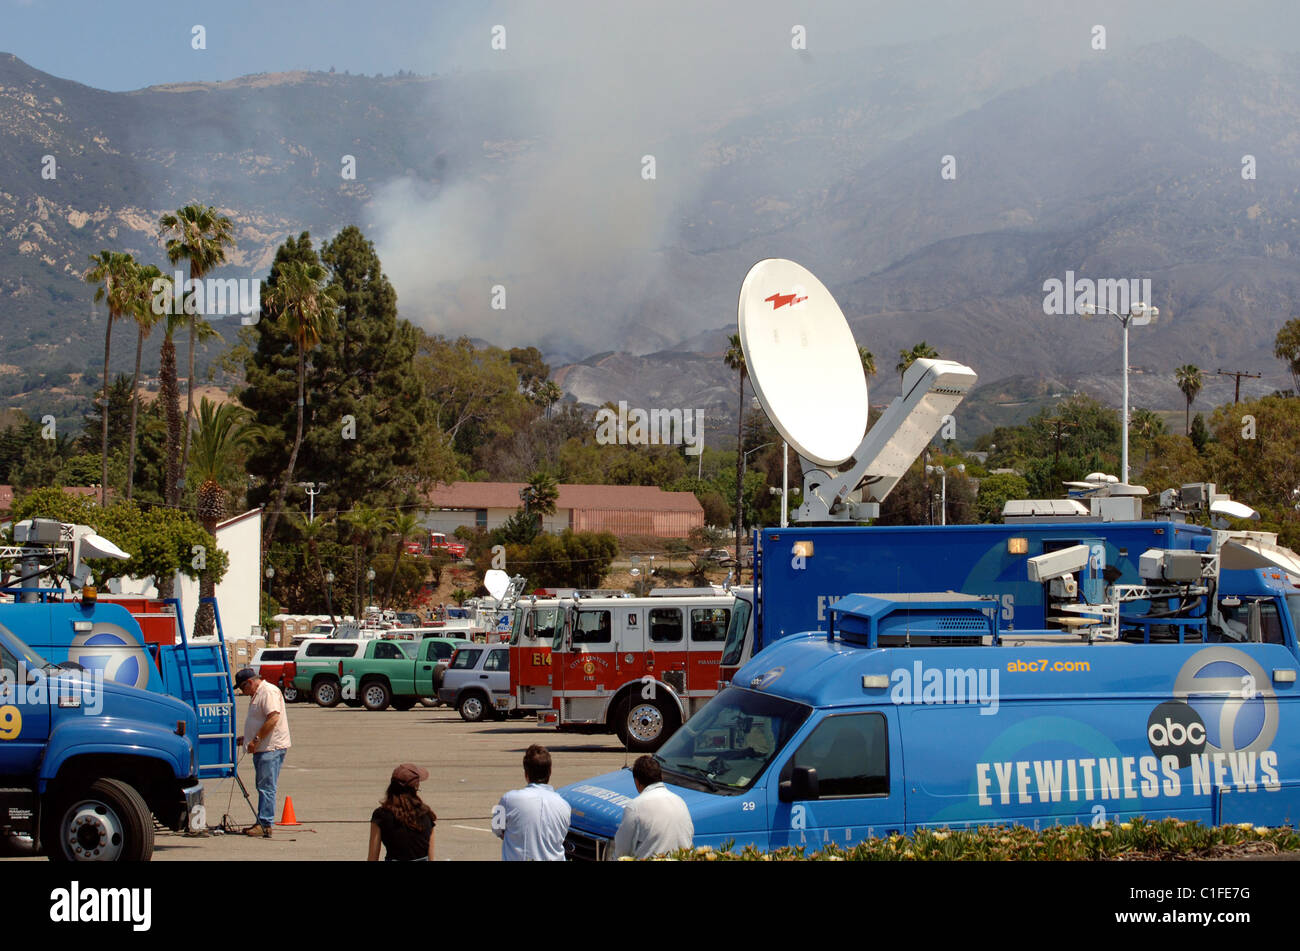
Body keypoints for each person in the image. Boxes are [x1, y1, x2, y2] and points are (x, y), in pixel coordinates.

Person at [235, 666, 291, 837]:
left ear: (250, 682)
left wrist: (256, 739)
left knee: (266, 786)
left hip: (270, 748)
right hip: (262, 747)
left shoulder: (267, 692)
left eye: (243, 688)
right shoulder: (257, 694)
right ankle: (262, 820)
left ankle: (265, 823)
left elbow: (273, 717)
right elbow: (259, 720)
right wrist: (247, 738)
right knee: (262, 785)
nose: (244, 693)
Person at [494, 744, 570, 860]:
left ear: (526, 774)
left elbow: (497, 828)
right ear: (549, 772)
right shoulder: (565, 806)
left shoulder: (508, 799)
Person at [610, 755, 694, 860]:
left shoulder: (635, 807)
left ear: (637, 781)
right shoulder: (680, 802)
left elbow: (621, 852)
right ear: (661, 777)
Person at [367, 764, 436, 861]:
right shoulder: (426, 814)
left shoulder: (381, 815)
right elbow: (431, 858)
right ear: (415, 787)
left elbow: (372, 858)